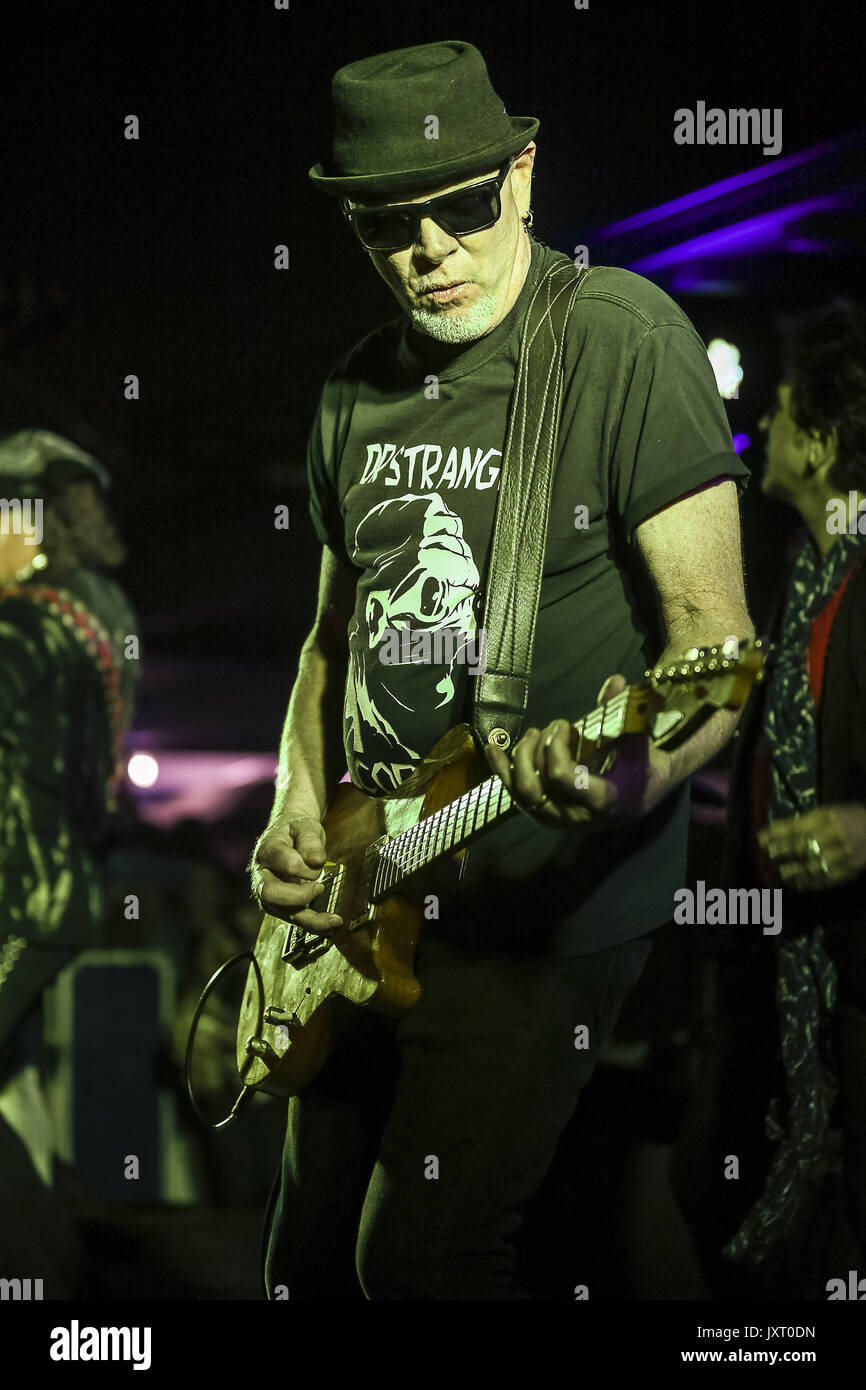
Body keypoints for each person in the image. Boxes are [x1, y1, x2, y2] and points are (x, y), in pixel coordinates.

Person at [249, 40, 754, 1300]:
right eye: (386, 223)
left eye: (461, 206)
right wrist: (293, 810)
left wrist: (637, 774)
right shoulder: (351, 394)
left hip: (540, 914)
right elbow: (328, 644)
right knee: (300, 1262)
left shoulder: (622, 340)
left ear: (522, 177)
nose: (429, 248)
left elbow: (715, 646)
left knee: (418, 1260)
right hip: (373, 887)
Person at [673, 304, 866, 1295]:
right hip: (774, 974)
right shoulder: (802, 576)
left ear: (824, 443)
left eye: (784, 410)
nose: (762, 428)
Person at [0, 429, 140, 1293]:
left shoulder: (24, 623)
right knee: (16, 1091)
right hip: (62, 891)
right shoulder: (103, 610)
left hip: (16, 897)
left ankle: (50, 1289)